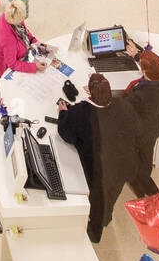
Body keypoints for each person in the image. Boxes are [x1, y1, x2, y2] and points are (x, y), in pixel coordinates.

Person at [57, 75, 142, 242]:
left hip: (99, 170)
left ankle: (95, 232)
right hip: (123, 165)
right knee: (112, 194)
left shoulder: (81, 112)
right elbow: (137, 130)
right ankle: (106, 217)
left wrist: (62, 114)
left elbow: (66, 133)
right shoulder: (124, 106)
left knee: (97, 200)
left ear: (90, 93)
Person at [120, 44, 159, 197]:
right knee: (146, 157)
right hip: (154, 127)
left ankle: (142, 190)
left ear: (144, 72)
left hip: (139, 132)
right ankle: (148, 189)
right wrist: (137, 55)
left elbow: (123, 107)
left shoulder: (140, 96)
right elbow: (152, 68)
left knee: (135, 158)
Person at [0, 0, 46, 78]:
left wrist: (36, 43)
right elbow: (12, 64)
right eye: (22, 19)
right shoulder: (7, 40)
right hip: (2, 63)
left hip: (7, 54)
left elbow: (24, 31)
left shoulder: (10, 14)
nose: (23, 20)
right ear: (17, 20)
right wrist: (34, 66)